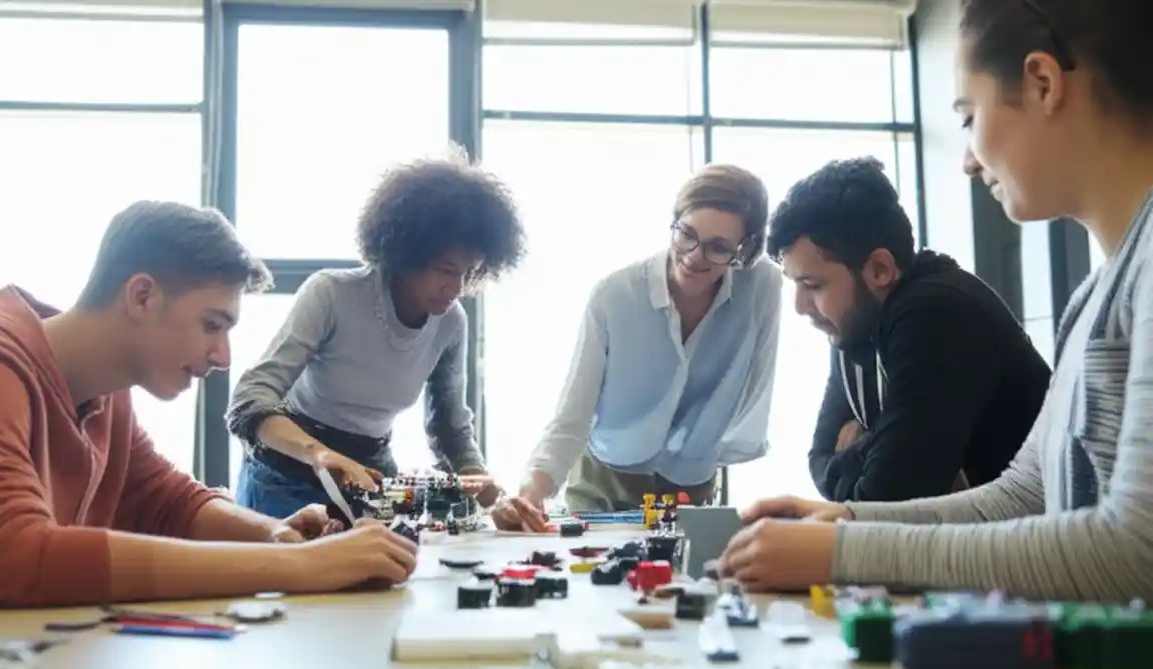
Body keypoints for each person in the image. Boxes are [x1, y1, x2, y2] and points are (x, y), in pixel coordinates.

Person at [719, 0, 1153, 601]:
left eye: (969, 117)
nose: (970, 161)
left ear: (1043, 84)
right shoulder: (1095, 293)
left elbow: (1136, 550)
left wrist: (844, 551)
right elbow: (1022, 497)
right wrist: (848, 522)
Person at [0, 201, 420, 641]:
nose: (224, 357)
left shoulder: (104, 392)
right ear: (141, 295)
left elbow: (166, 501)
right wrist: (304, 570)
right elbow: (8, 562)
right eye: (212, 324)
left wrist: (277, 536)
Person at [228, 154, 542, 529]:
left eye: (469, 273)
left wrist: (495, 500)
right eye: (446, 270)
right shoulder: (331, 294)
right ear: (408, 254)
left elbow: (450, 432)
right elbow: (249, 400)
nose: (457, 288)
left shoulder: (451, 323)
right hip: (284, 476)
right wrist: (321, 454)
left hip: (370, 477)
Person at [493, 164, 781, 529]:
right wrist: (530, 494)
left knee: (678, 583)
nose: (694, 256)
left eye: (718, 248)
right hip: (604, 480)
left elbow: (757, 384)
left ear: (746, 250)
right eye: (686, 234)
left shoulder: (760, 288)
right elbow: (572, 418)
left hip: (691, 485)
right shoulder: (614, 296)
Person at [771, 157, 1050, 502]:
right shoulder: (854, 323)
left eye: (812, 285)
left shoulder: (937, 313)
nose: (799, 306)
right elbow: (820, 463)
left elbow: (886, 498)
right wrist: (884, 444)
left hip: (1051, 543)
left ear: (879, 269)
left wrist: (870, 443)